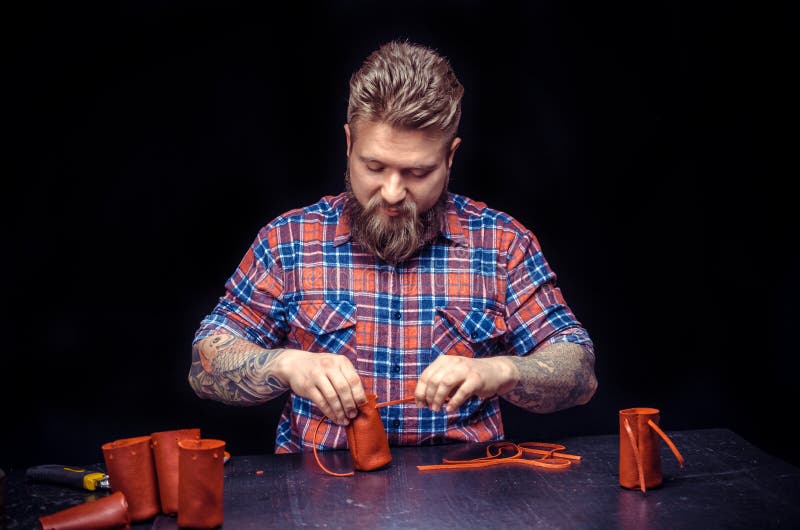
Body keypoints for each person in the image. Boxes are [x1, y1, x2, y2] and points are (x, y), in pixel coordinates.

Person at [189, 39, 597, 454]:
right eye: (374, 166)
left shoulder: (503, 244)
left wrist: (503, 370)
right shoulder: (288, 241)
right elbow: (204, 362)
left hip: (468, 496)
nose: (391, 191)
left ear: (450, 157)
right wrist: (285, 364)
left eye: (417, 172)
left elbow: (580, 372)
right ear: (348, 145)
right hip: (320, 496)